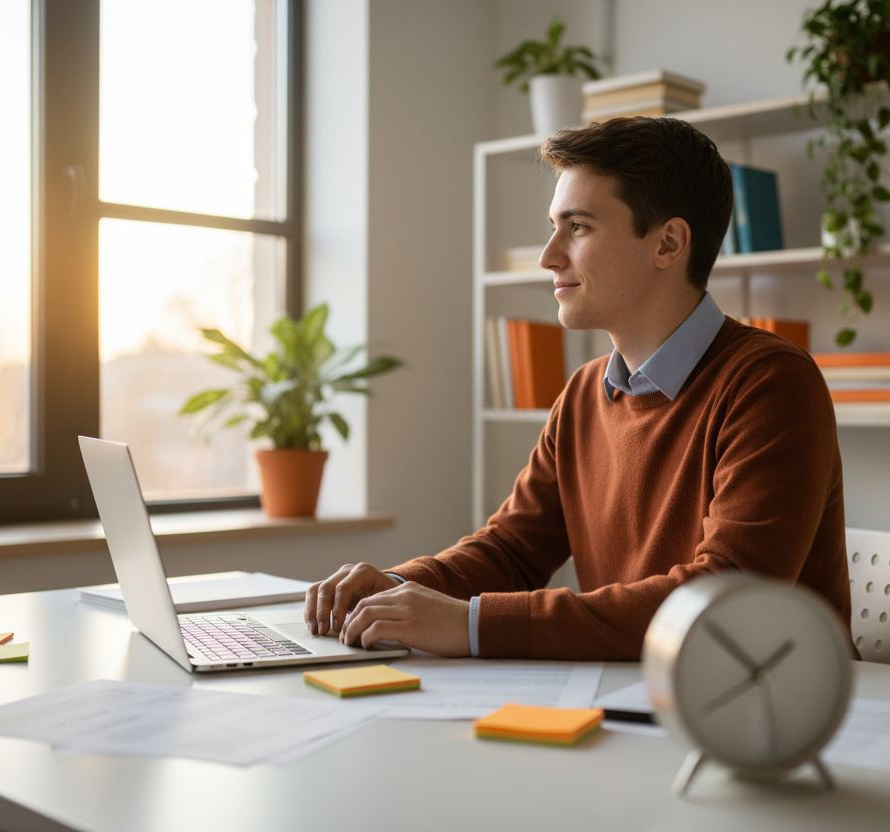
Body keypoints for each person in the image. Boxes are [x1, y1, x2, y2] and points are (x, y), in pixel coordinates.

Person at [303, 116, 850, 660]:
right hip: (640, 695)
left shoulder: (772, 383)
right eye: (553, 226)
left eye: (578, 227)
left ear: (668, 243)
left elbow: (724, 598)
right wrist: (396, 587)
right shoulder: (585, 393)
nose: (549, 256)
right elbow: (513, 550)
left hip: (774, 714)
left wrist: (471, 625)